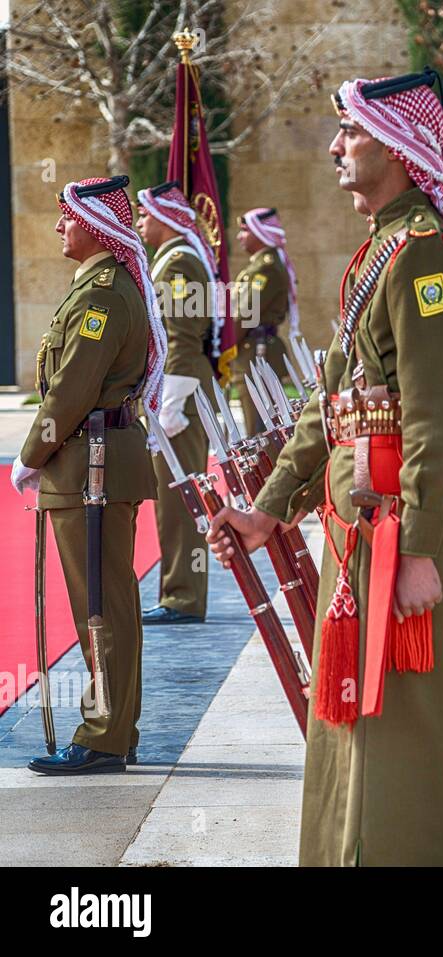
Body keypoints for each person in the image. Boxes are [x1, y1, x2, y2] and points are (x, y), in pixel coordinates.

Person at [206, 70, 443, 865]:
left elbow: (433, 418)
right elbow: (331, 396)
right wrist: (271, 507)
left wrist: (418, 547)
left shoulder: (422, 256)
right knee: (357, 700)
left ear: (401, 146)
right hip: (362, 512)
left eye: (351, 132)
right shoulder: (384, 247)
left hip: (396, 520)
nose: (335, 147)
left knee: (404, 710)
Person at [17, 176, 167, 774]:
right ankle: (114, 727)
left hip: (90, 465)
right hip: (91, 461)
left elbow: (73, 389)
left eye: (67, 218)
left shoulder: (102, 295)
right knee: (107, 602)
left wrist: (32, 454)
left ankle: (104, 733)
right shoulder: (98, 288)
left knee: (99, 605)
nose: (59, 227)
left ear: (95, 225)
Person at [136, 181, 219, 625]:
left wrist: (170, 405)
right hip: (177, 390)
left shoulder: (179, 264)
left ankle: (183, 597)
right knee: (175, 497)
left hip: (180, 394)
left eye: (145, 215)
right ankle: (177, 591)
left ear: (166, 220)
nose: (139, 222)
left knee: (181, 497)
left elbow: (182, 338)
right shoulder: (173, 260)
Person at [230, 208, 296, 435]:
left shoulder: (266, 267)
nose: (240, 236)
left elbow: (244, 315)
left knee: (260, 433)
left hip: (257, 353)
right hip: (253, 352)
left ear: (260, 233)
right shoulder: (262, 264)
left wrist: (223, 348)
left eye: (245, 231)